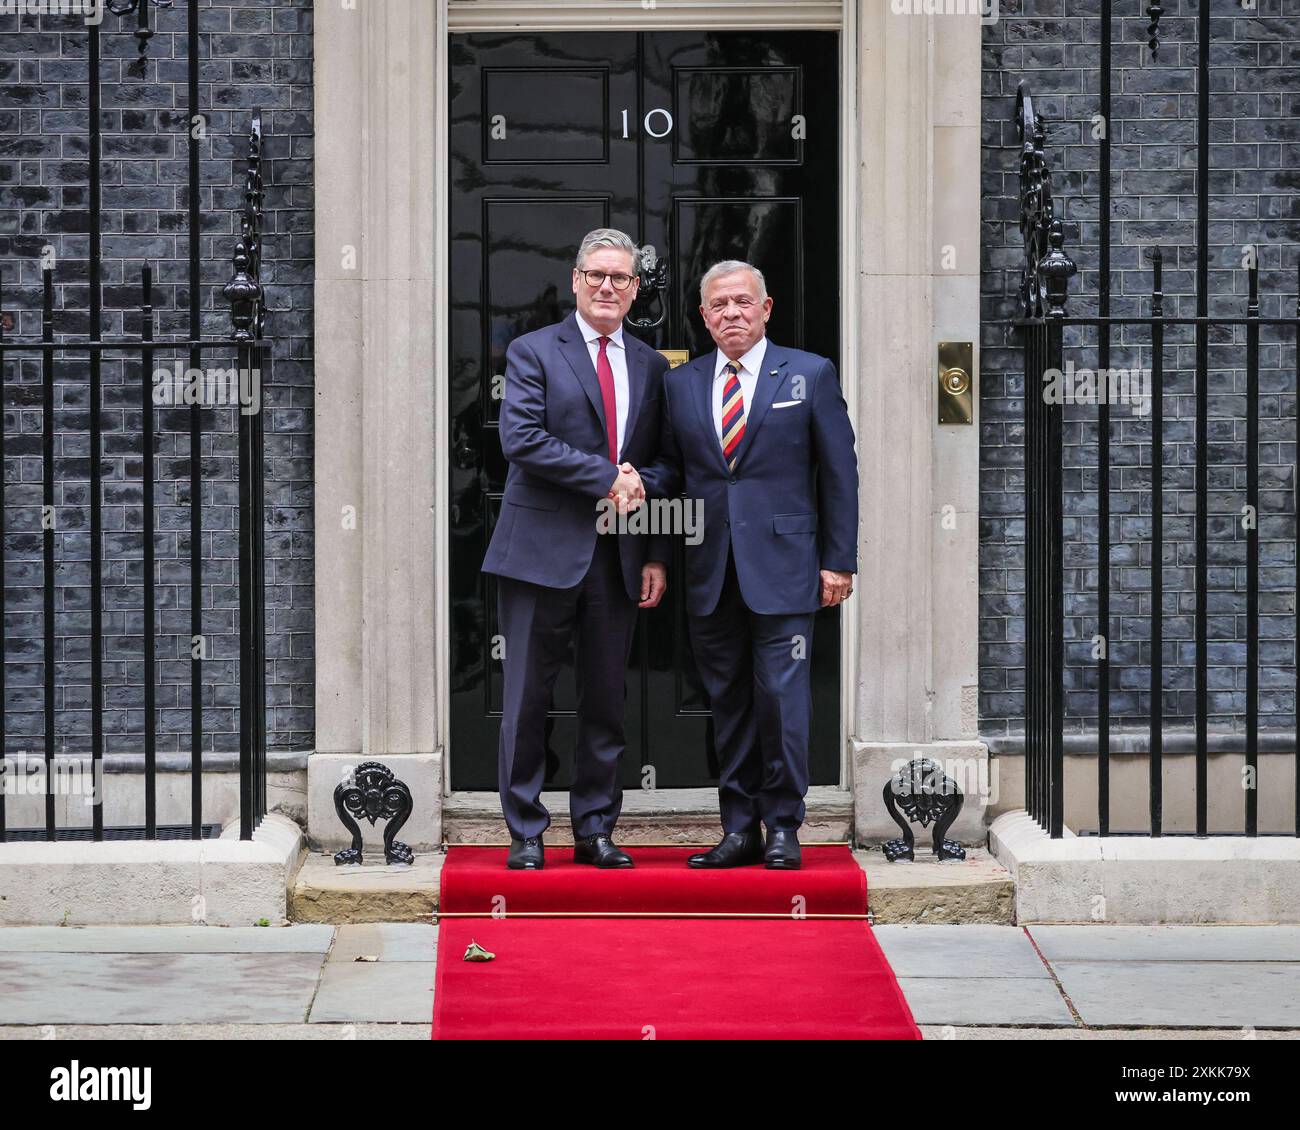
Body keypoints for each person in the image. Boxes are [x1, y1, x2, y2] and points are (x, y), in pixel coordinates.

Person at [641, 260, 858, 870]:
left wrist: (838, 562)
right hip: (708, 571)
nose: (730, 313)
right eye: (718, 305)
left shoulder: (810, 374)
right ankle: (738, 827)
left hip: (788, 570)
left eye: (742, 302)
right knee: (728, 704)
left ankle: (785, 824)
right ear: (704, 318)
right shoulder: (681, 384)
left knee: (784, 702)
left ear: (766, 309)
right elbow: (673, 475)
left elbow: (840, 474)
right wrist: (647, 528)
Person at [482, 228, 669, 870]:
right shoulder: (535, 351)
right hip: (538, 554)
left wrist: (654, 550)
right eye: (597, 275)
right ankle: (527, 829)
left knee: (606, 700)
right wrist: (607, 477)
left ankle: (595, 827)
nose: (607, 287)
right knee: (528, 699)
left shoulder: (649, 363)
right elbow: (523, 440)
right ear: (576, 280)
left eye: (620, 278)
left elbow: (666, 461)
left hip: (617, 558)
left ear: (635, 289)